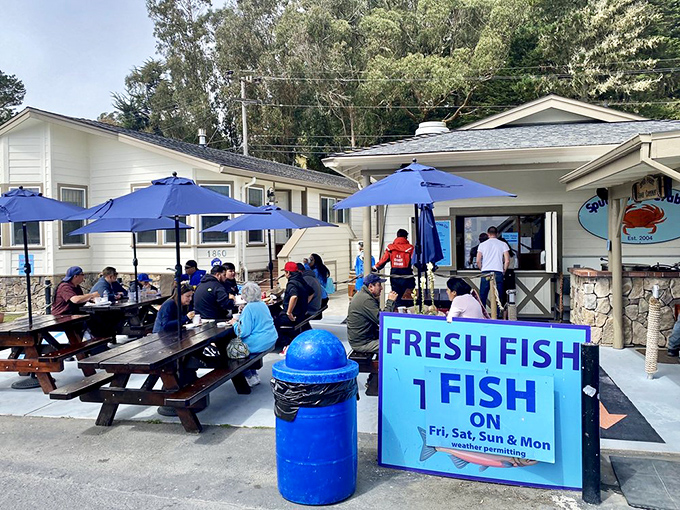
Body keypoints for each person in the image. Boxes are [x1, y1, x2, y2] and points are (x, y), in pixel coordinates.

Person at [228, 282, 277, 386]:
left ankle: (249, 376)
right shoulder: (263, 304)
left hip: (259, 341)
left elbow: (243, 332)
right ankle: (253, 374)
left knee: (235, 349)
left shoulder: (249, 308)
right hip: (270, 337)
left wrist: (235, 324)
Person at [347, 273, 398, 354]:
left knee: (395, 338)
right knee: (396, 345)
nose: (381, 288)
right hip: (363, 343)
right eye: (379, 285)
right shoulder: (366, 300)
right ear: (371, 287)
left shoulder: (364, 295)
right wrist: (390, 301)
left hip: (366, 337)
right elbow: (383, 320)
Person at [274, 261, 314, 346]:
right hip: (301, 313)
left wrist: (289, 312)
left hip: (294, 316)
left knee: (274, 321)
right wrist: (304, 303)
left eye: (285, 272)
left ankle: (284, 343)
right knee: (276, 310)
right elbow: (311, 292)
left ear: (288, 273)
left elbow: (294, 296)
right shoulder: (301, 280)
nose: (285, 274)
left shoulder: (292, 283)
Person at [373, 229, 415, 308]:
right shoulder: (410, 248)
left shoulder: (390, 248)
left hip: (394, 276)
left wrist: (375, 267)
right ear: (406, 237)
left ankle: (398, 316)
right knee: (409, 299)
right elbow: (416, 262)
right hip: (407, 276)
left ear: (397, 236)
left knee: (397, 298)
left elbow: (383, 260)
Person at [476, 226, 510, 314]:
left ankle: (482, 313)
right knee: (498, 296)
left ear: (488, 234)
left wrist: (482, 268)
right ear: (497, 234)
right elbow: (507, 260)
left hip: (486, 271)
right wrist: (504, 270)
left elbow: (478, 260)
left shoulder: (482, 245)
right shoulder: (503, 244)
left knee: (483, 295)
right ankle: (497, 314)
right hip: (498, 271)